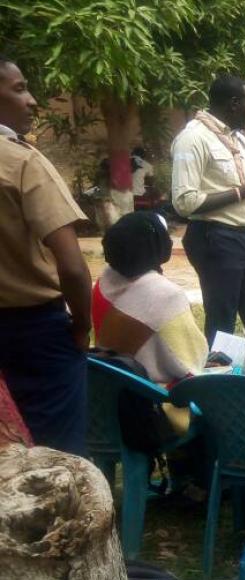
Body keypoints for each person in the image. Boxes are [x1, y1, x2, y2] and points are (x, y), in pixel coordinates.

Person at [0, 55, 93, 456]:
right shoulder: (22, 162)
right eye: (19, 89)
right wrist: (82, 325)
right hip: (35, 331)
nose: (33, 101)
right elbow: (72, 266)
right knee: (58, 457)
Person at [173, 74, 245, 344]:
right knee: (222, 322)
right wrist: (244, 192)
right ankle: (221, 381)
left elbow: (238, 188)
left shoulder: (238, 140)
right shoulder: (193, 139)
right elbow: (184, 201)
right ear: (233, 103)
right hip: (215, 238)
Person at [92, 212, 208, 434]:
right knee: (218, 397)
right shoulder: (165, 294)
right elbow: (190, 362)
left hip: (106, 402)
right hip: (151, 409)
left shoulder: (102, 283)